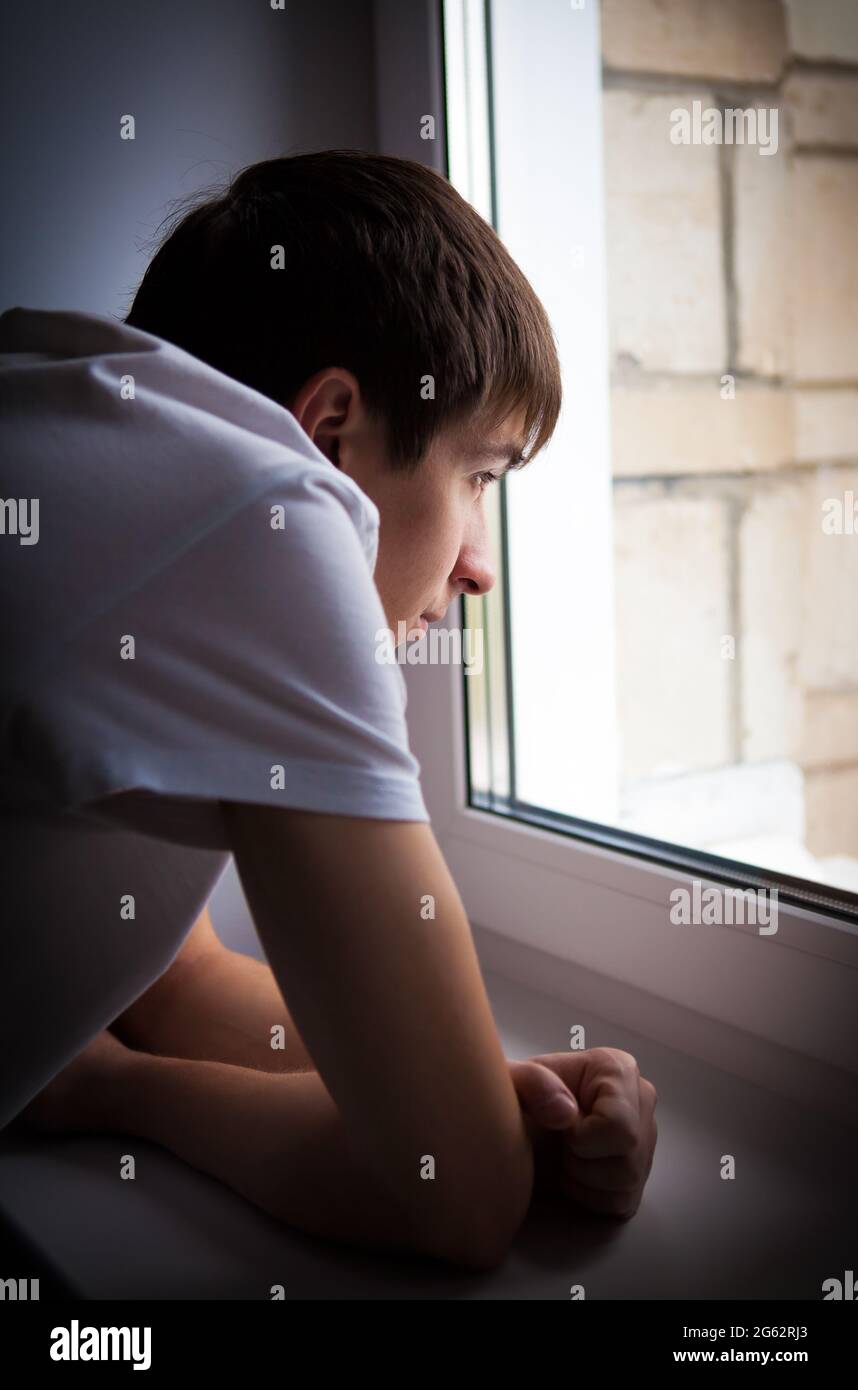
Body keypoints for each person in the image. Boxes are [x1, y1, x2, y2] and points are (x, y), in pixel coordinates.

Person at [0, 150, 656, 1272]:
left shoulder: (94, 437)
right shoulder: (272, 507)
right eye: (483, 476)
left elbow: (170, 978)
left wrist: (489, 1091)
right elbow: (460, 1200)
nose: (481, 567)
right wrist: (119, 1092)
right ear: (332, 429)